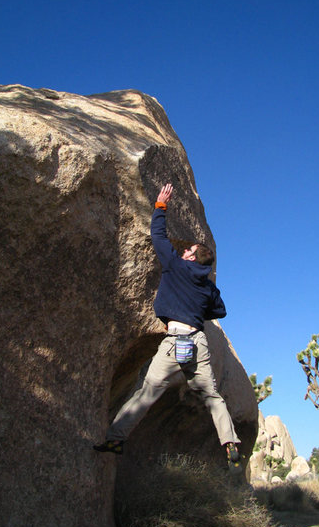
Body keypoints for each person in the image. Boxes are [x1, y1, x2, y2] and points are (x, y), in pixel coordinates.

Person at [94, 184, 241, 467]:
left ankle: (115, 438)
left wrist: (161, 206)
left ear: (190, 258)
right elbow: (220, 310)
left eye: (190, 249)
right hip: (198, 343)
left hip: (174, 342)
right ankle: (230, 442)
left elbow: (157, 236)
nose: (185, 249)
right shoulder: (207, 285)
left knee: (147, 392)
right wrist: (201, 304)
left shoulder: (175, 266)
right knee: (212, 396)